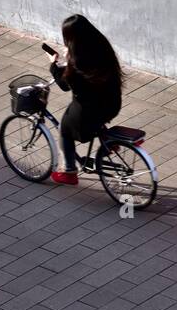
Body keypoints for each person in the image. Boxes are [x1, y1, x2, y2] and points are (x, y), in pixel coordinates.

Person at [48, 14, 123, 185]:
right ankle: (108, 142)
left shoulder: (77, 60)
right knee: (94, 117)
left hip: (90, 109)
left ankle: (68, 172)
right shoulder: (102, 46)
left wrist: (54, 65)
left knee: (65, 129)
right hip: (111, 103)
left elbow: (65, 85)